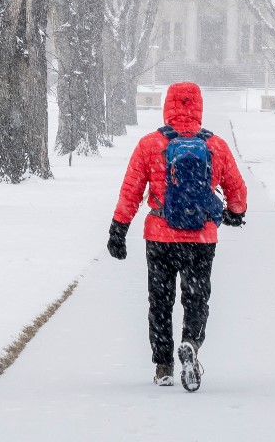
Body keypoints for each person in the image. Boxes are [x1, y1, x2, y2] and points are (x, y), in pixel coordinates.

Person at [107, 81, 247, 391]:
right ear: (198, 107)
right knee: (196, 298)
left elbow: (131, 191)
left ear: (167, 106)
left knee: (160, 301)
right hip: (200, 238)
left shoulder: (150, 144)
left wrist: (119, 229)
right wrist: (235, 213)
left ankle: (163, 366)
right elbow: (237, 188)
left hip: (160, 236)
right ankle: (191, 344)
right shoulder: (216, 146)